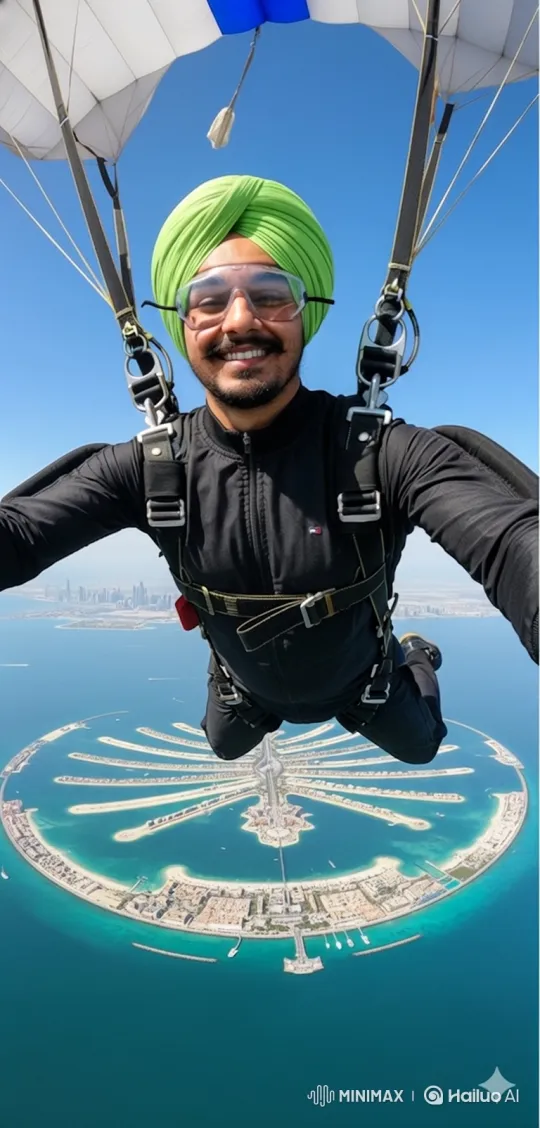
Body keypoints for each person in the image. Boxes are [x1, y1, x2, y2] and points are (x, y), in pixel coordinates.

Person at [1, 175, 537, 766]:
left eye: (271, 294)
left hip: (364, 683)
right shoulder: (148, 470)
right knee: (223, 745)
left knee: (423, 745)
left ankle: (415, 653)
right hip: (245, 687)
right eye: (208, 299)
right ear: (181, 326)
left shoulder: (382, 455)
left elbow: (513, 541)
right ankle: (230, 659)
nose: (238, 321)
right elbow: (18, 537)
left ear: (305, 315)